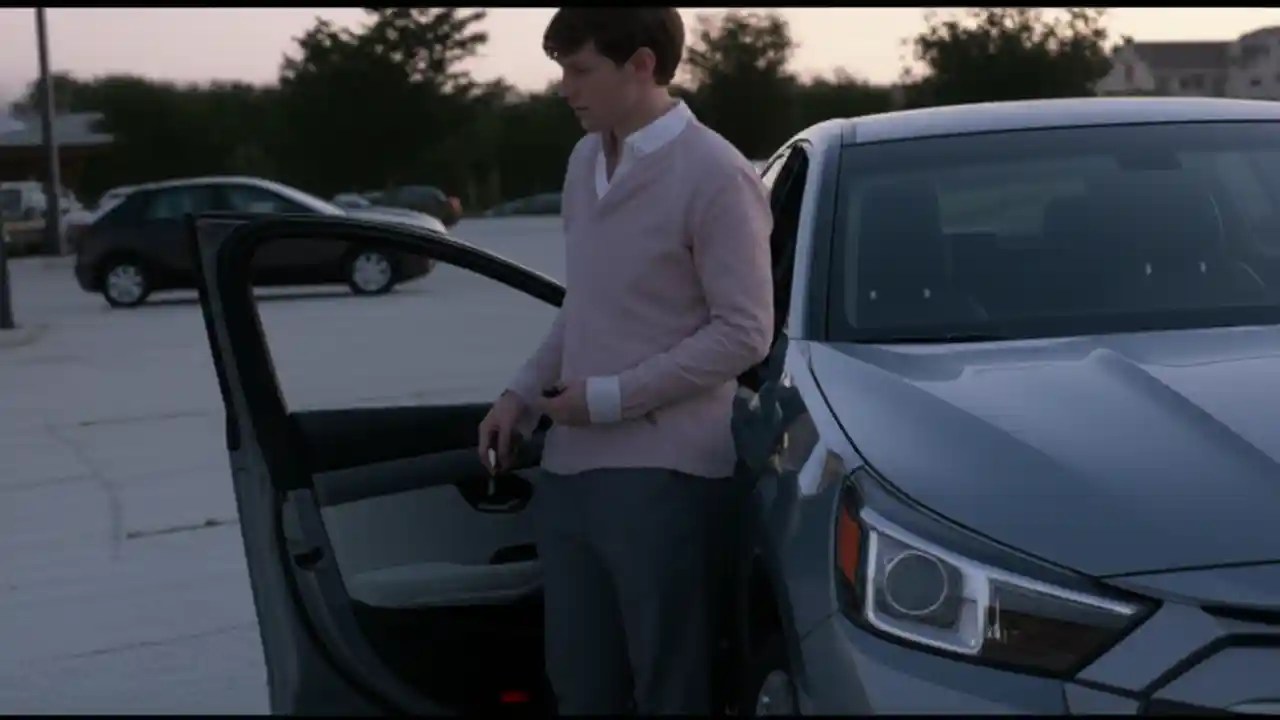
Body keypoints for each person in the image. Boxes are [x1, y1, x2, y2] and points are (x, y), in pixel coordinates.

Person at [477, 7, 774, 715]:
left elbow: (745, 333)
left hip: (666, 478)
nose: (564, 88)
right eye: (562, 69)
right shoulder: (585, 161)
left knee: (672, 689)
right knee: (580, 687)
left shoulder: (716, 173)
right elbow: (586, 306)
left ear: (642, 65)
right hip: (569, 472)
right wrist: (519, 397)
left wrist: (610, 398)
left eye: (580, 70)